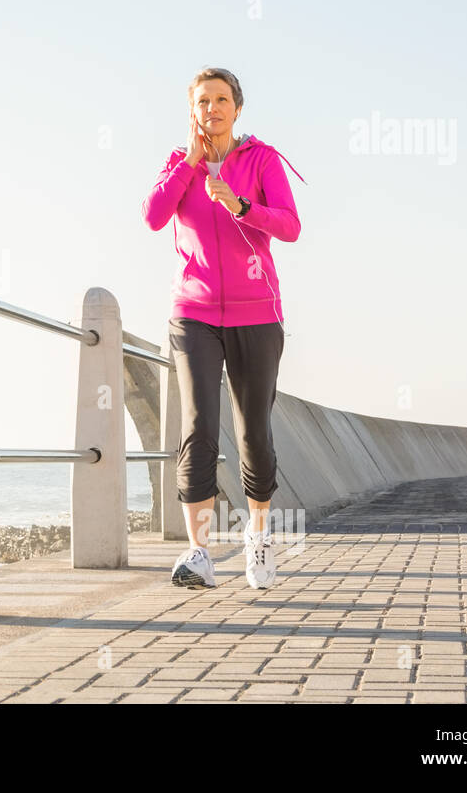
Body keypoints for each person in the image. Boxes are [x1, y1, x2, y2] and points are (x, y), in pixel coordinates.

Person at [140, 67, 305, 589]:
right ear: (192, 110)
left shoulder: (261, 160)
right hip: (194, 312)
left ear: (237, 108)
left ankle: (258, 540)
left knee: (253, 432)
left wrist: (241, 205)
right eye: (202, 101)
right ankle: (199, 554)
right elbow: (152, 215)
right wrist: (188, 165)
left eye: (221, 100)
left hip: (258, 311)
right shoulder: (178, 165)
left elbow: (290, 225)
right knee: (199, 428)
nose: (211, 108)